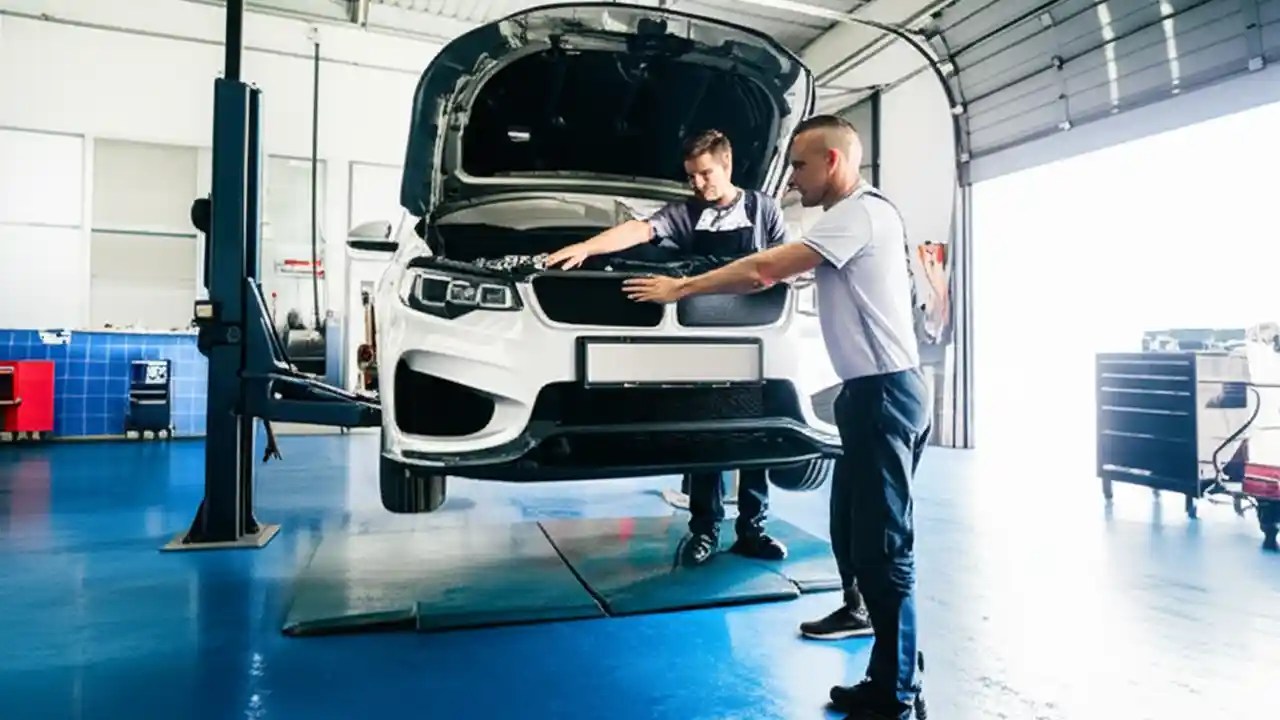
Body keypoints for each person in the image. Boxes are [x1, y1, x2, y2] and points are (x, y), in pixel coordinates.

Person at [622, 114, 930, 720]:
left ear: (833, 162)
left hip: (885, 395)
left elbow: (763, 269)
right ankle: (890, 671)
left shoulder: (857, 215)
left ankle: (897, 692)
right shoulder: (855, 217)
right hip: (865, 395)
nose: (791, 179)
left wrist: (679, 289)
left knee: (885, 546)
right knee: (855, 535)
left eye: (799, 165)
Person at [545, 129, 791, 567]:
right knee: (707, 436)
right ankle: (704, 531)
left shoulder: (764, 209)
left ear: (727, 164)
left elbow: (780, 265)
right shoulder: (686, 213)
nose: (697, 183)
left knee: (757, 437)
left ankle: (753, 530)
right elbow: (639, 229)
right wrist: (586, 247)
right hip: (703, 336)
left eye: (705, 173)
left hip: (753, 338)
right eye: (691, 176)